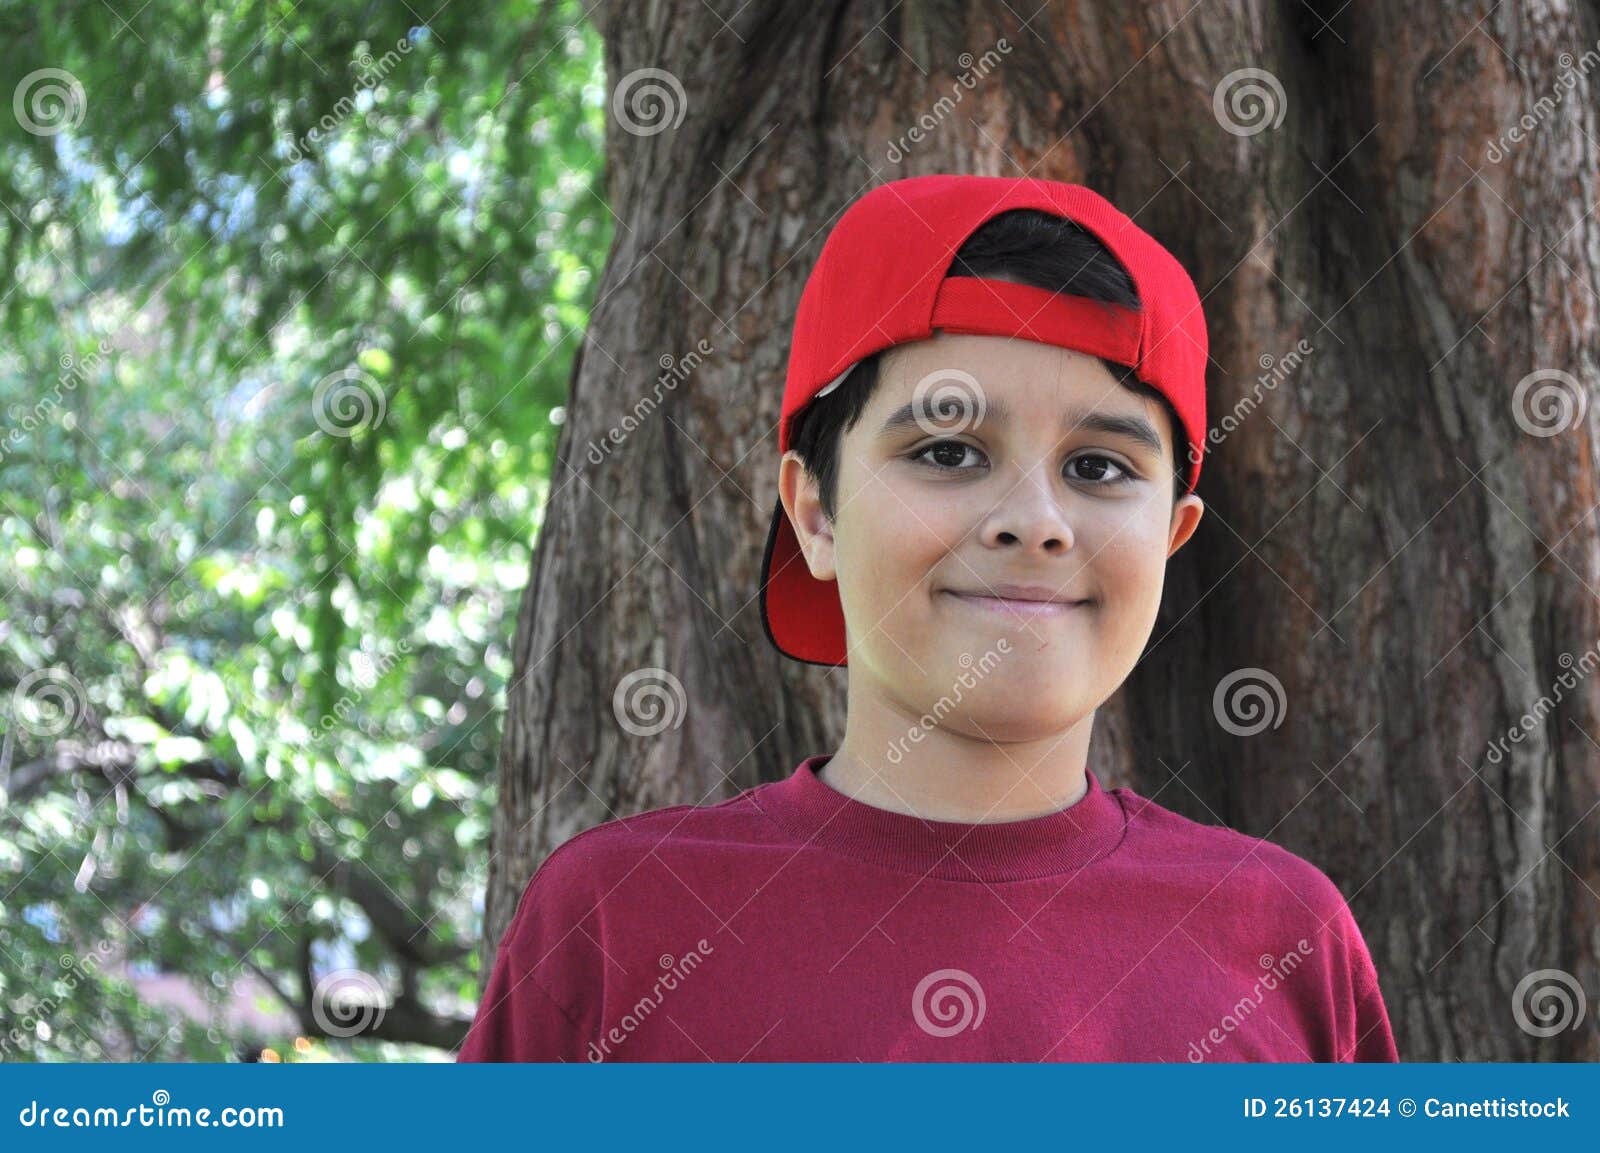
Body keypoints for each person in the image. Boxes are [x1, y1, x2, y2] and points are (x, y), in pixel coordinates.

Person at [457, 174, 1399, 1062]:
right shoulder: (617, 925)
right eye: (948, 450)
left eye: (1100, 467)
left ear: (1172, 535)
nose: (1033, 520)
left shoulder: (1287, 941)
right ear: (816, 513)